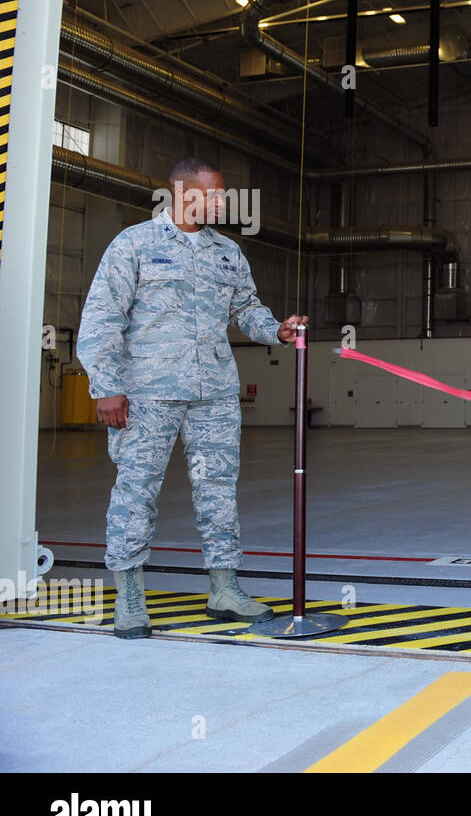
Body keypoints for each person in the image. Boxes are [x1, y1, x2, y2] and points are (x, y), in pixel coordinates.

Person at [77, 157, 307, 639]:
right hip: (146, 394)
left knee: (218, 491)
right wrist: (107, 387)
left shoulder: (227, 253)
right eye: (214, 194)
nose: (222, 203)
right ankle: (130, 596)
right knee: (136, 492)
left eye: (223, 195)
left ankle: (224, 588)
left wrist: (277, 331)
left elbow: (247, 309)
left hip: (215, 394)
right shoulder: (135, 244)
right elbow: (101, 319)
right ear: (183, 193)